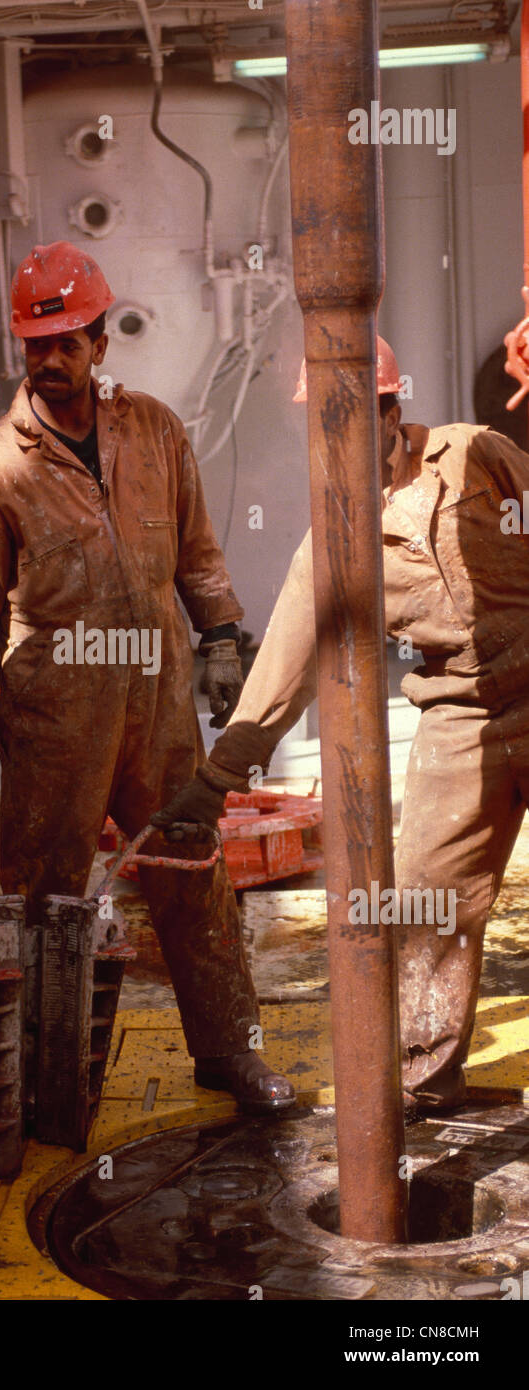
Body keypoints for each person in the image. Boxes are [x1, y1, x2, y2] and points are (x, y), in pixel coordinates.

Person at [0, 241, 294, 1112]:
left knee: (191, 873)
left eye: (66, 342)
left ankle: (228, 1053)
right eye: (34, 346)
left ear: (100, 341)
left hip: (160, 708)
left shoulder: (156, 431)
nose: (49, 361)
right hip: (56, 723)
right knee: (44, 905)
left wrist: (217, 634)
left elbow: (197, 550)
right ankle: (41, 1087)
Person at [153, 335, 529, 1116]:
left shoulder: (478, 456)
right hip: (461, 719)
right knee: (425, 901)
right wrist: (218, 780)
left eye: (358, 417)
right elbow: (284, 667)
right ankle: (425, 1084)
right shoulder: (334, 540)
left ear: (393, 408)